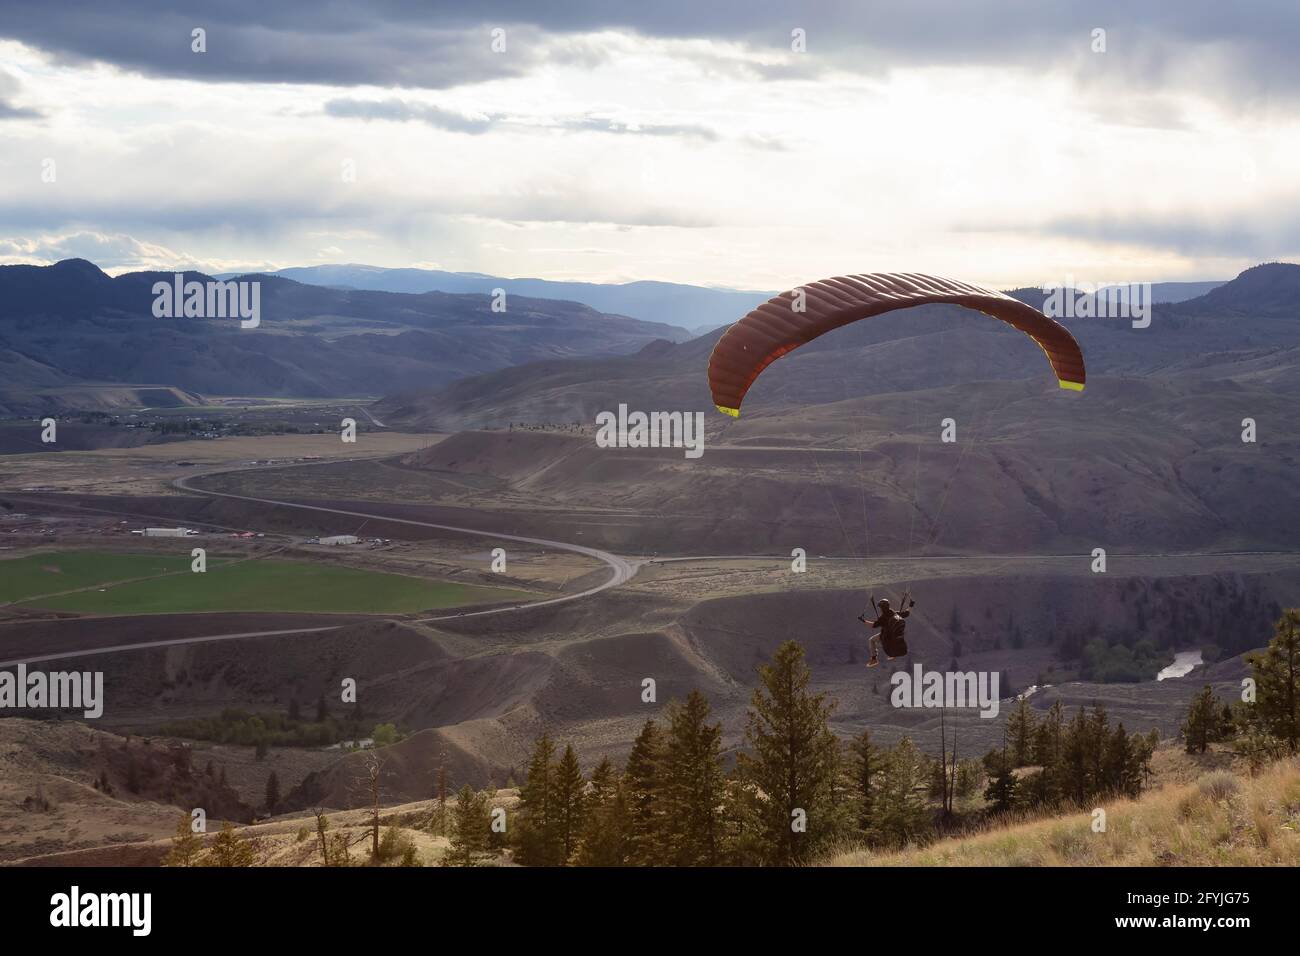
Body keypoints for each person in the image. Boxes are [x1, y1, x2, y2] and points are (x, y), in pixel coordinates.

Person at [859, 597, 912, 667]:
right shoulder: (895, 614)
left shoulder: (883, 617)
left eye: (880, 608)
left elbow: (873, 625)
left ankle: (874, 659)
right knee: (891, 639)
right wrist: (911, 605)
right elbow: (907, 613)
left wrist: (864, 621)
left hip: (886, 636)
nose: (880, 609)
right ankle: (894, 653)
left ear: (882, 608)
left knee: (871, 640)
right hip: (894, 635)